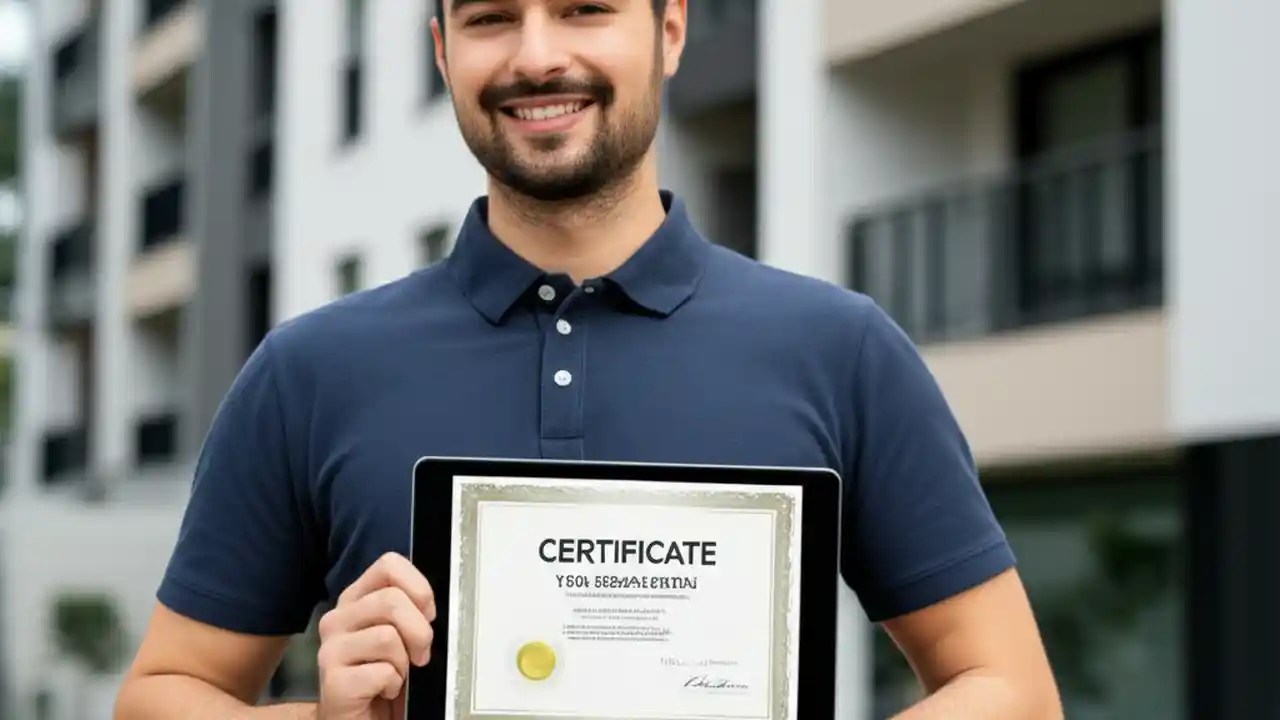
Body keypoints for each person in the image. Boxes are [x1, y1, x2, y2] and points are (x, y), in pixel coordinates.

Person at [114, 0, 1062, 718]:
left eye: (584, 8)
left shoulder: (840, 350)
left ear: (671, 29)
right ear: (444, 51)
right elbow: (162, 693)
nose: (536, 56)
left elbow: (1011, 687)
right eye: (491, 18)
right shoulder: (310, 368)